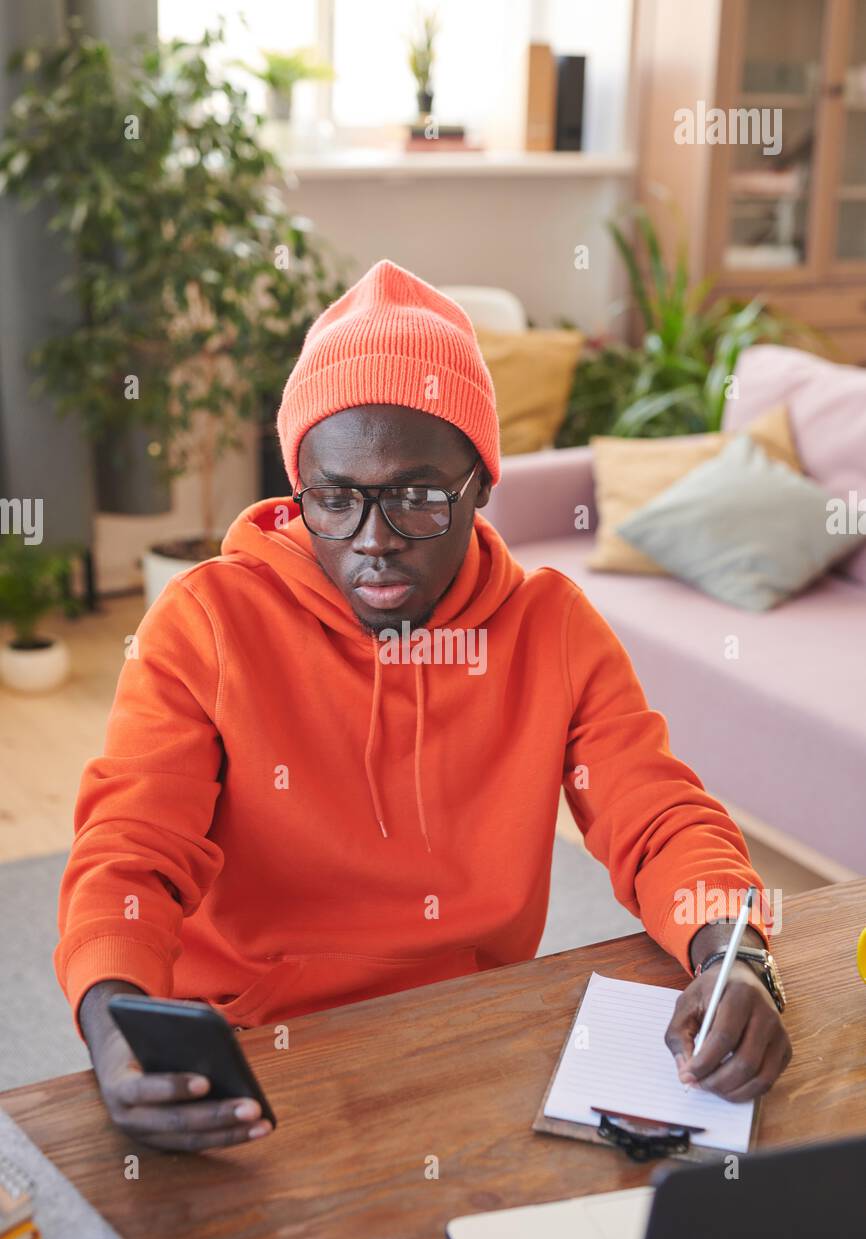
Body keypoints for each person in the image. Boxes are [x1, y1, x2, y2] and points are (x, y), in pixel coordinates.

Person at [56, 259, 791, 1152]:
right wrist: (110, 1017)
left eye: (417, 497)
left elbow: (659, 815)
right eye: (334, 498)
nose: (373, 541)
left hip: (473, 1027)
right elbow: (129, 851)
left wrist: (735, 955)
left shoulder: (551, 627)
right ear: (301, 488)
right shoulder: (208, 622)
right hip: (258, 1046)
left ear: (481, 485)